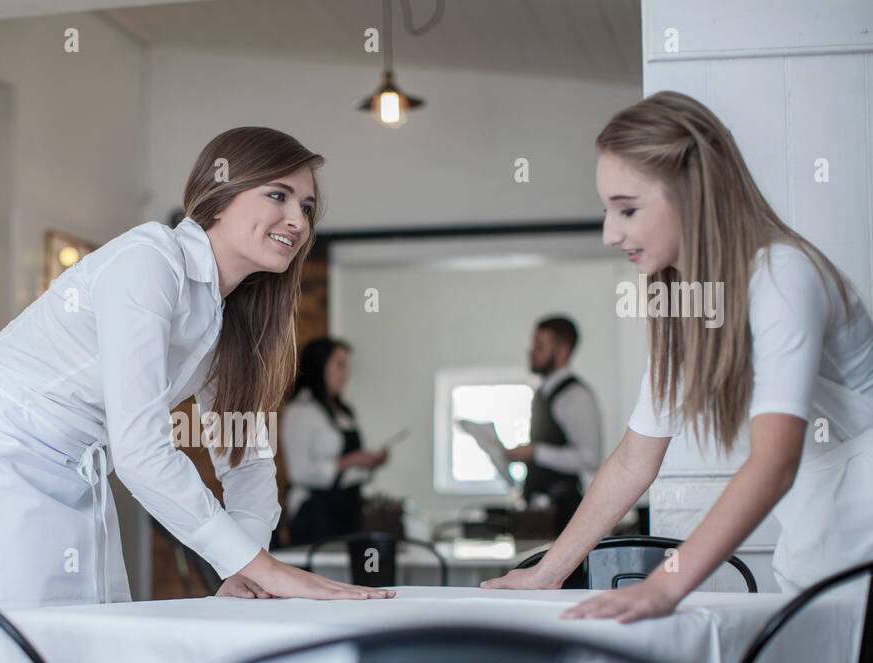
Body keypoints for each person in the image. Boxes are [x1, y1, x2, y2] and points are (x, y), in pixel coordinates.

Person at [0, 127, 395, 663]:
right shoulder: (149, 262)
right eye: (279, 195)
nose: (297, 220)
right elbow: (141, 450)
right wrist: (255, 564)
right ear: (220, 194)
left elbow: (247, 458)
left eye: (307, 207)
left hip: (77, 468)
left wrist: (248, 570)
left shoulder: (232, 316)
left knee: (86, 654)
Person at [482, 91, 873, 621]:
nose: (609, 233)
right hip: (825, 551)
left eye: (627, 209)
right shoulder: (687, 305)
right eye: (607, 211)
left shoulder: (782, 276)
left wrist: (663, 587)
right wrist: (549, 571)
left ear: (692, 191)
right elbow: (632, 460)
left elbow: (775, 460)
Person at [280, 337, 388, 546]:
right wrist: (348, 462)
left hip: (347, 511)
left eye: (346, 366)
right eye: (339, 365)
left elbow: (349, 474)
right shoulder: (301, 412)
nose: (345, 374)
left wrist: (369, 462)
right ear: (319, 366)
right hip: (316, 516)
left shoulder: (343, 413)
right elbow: (299, 471)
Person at [506, 315, 603, 535]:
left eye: (539, 345)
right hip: (538, 514)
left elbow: (590, 458)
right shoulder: (542, 393)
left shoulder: (576, 396)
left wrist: (535, 453)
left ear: (563, 351)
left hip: (563, 517)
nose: (531, 351)